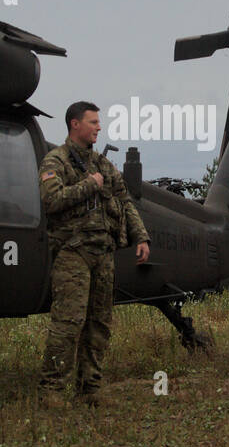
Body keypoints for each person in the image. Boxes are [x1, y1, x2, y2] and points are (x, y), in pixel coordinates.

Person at [38, 101, 149, 408]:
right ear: (75, 124)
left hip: (103, 252)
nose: (99, 127)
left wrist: (141, 237)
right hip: (73, 252)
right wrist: (89, 185)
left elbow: (125, 201)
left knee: (99, 322)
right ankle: (52, 391)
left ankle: (90, 390)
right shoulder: (55, 161)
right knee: (69, 321)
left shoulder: (103, 164)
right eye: (93, 122)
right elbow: (52, 200)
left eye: (99, 122)